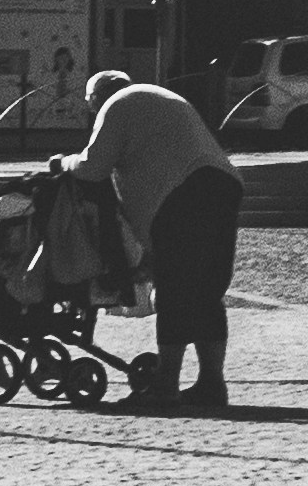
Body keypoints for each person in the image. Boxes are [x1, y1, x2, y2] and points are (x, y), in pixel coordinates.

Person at [61, 64, 237, 411]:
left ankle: (166, 386)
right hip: (224, 184)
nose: (91, 111)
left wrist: (62, 163)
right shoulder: (158, 98)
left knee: (173, 291)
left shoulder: (117, 105)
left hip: (183, 193)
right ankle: (211, 384)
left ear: (97, 97)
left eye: (89, 103)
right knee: (206, 291)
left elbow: (93, 166)